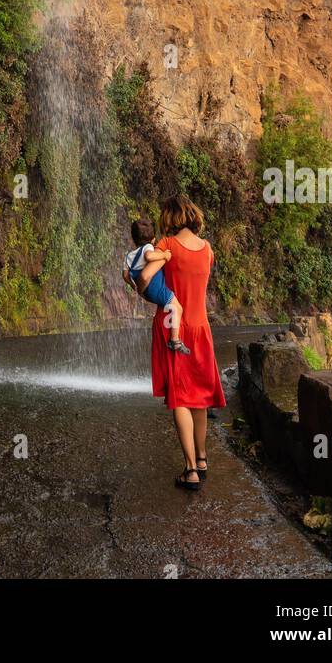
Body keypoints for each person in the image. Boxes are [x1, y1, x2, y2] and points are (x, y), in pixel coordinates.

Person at [138, 194, 225, 492]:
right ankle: (201, 460)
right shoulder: (207, 249)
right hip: (201, 328)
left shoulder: (167, 245)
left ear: (170, 218)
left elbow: (146, 276)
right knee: (199, 396)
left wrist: (136, 284)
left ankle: (190, 471)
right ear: (192, 215)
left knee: (180, 398)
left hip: (173, 326)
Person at [122, 218, 191, 354]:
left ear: (133, 239)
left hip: (146, 291)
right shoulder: (148, 248)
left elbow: (125, 275)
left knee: (171, 306)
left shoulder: (128, 256)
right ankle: (174, 340)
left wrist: (132, 285)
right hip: (155, 287)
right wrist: (164, 255)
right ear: (153, 239)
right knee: (177, 308)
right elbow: (149, 257)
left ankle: (173, 337)